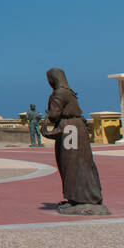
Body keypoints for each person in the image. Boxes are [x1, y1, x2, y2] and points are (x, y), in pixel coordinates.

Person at [40, 67, 107, 212]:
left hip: (69, 130)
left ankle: (80, 198)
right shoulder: (69, 92)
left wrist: (48, 113)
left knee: (70, 164)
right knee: (81, 162)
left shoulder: (59, 93)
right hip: (77, 128)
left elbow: (54, 115)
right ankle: (79, 197)